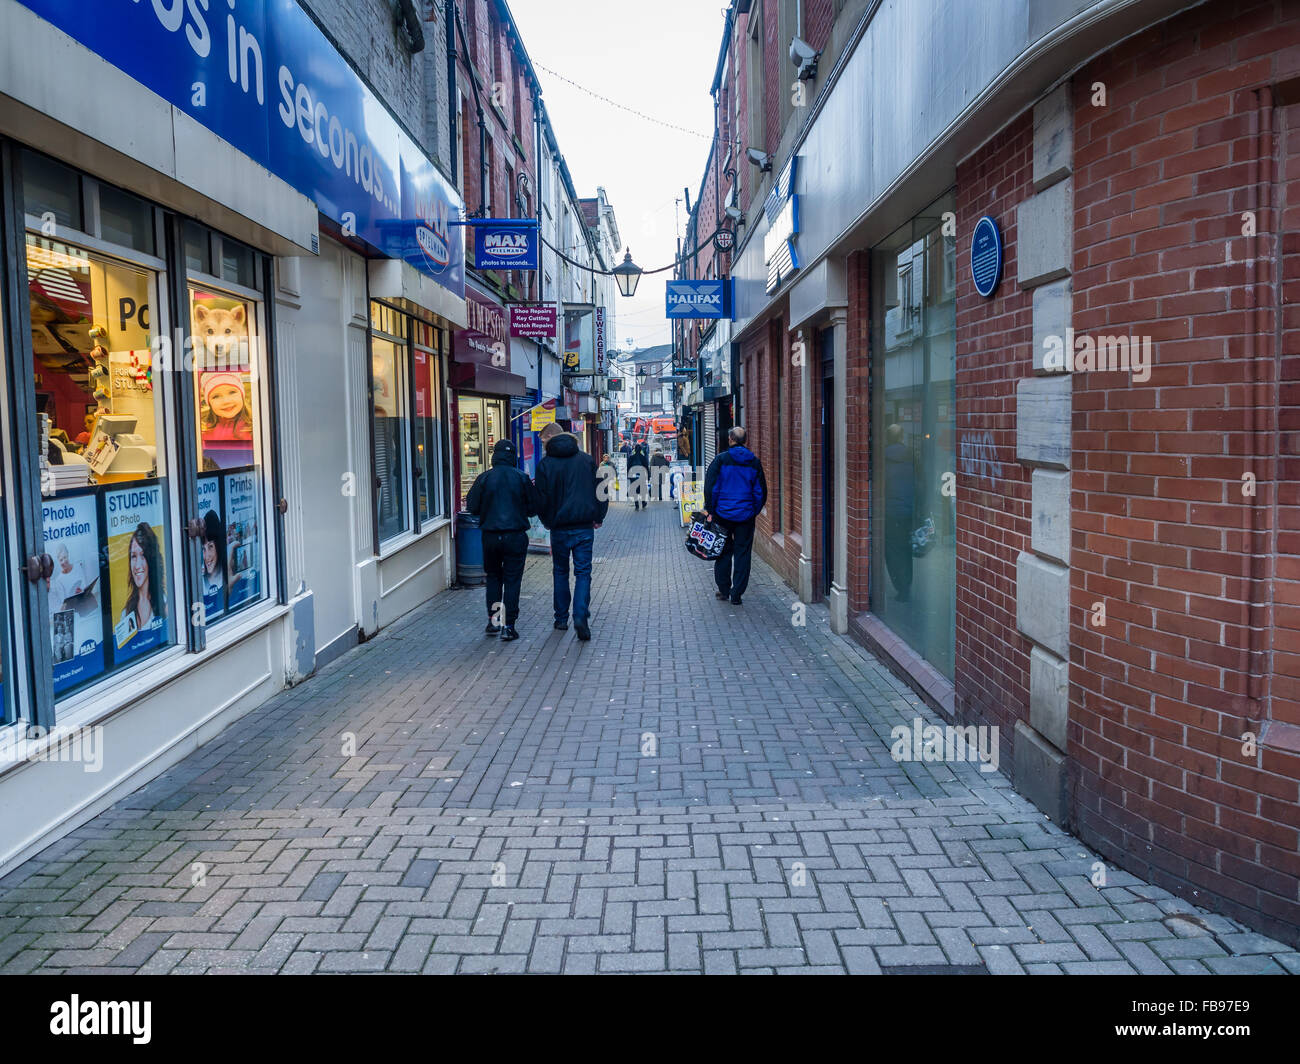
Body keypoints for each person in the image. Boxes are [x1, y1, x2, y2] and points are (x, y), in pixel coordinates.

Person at [536, 422, 607, 641]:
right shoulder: (586, 460)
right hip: (584, 527)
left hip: (558, 528)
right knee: (583, 572)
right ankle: (580, 615)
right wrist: (598, 517)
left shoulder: (545, 464)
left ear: (550, 438)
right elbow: (601, 490)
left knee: (560, 571)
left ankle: (560, 619)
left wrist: (547, 521)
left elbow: (541, 498)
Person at [466, 438, 541, 642]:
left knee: (493, 577)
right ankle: (509, 626)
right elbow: (534, 507)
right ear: (513, 456)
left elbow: (472, 506)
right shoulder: (521, 478)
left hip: (490, 536)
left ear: (494, 456)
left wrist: (487, 511)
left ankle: (494, 621)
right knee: (512, 580)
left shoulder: (484, 478)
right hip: (515, 535)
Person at [703, 425, 768, 605]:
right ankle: (737, 594)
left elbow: (710, 489)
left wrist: (711, 510)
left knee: (723, 551)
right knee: (743, 553)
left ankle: (724, 590)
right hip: (745, 517)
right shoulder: (754, 462)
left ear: (730, 439)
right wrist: (752, 511)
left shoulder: (720, 461)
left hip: (722, 515)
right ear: (745, 441)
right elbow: (761, 492)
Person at [201, 509, 227, 621]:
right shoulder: (201, 584)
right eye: (203, 549)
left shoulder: (226, 576)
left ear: (219, 545)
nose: (206, 556)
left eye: (210, 547)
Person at [627, 442, 650, 510]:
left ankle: (636, 504)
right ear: (640, 450)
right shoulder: (643, 457)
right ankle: (643, 503)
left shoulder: (631, 457)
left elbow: (628, 467)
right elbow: (646, 467)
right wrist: (648, 476)